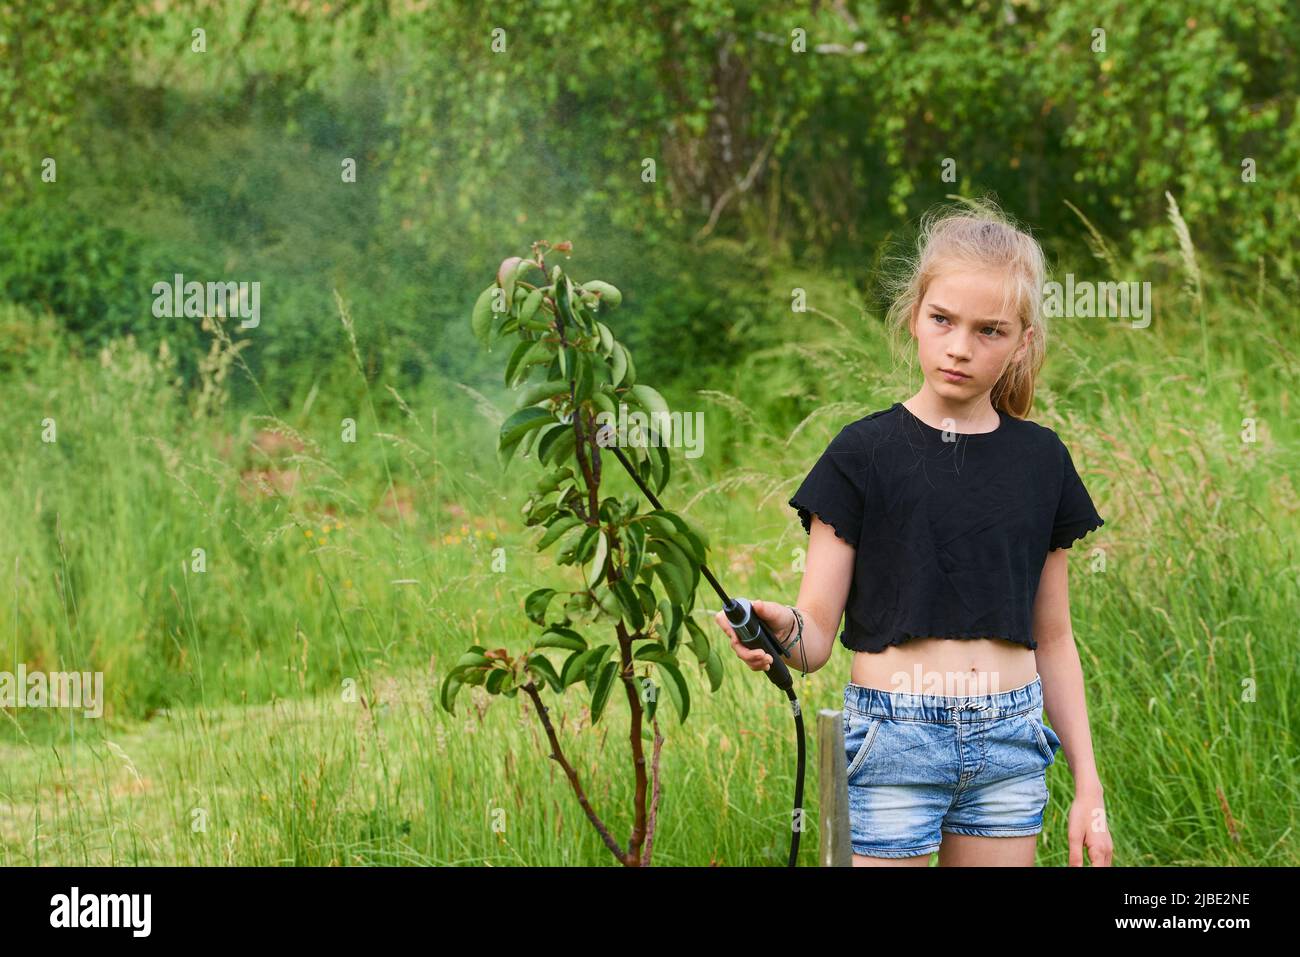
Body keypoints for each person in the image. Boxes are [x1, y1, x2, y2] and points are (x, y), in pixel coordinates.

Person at [715, 201, 1114, 867]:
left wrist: (1089, 784)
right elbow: (814, 637)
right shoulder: (862, 453)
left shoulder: (1042, 462)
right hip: (893, 738)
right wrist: (777, 626)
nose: (960, 347)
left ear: (1023, 341)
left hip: (1010, 745)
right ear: (914, 317)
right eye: (943, 321)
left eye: (990, 330)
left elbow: (1055, 637)